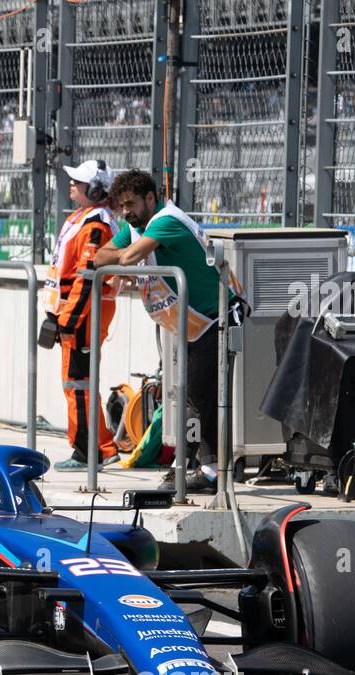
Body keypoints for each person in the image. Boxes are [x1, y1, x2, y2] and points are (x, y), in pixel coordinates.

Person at [91, 169, 232, 493]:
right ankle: (208, 470)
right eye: (121, 206)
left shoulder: (166, 221)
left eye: (131, 204)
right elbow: (100, 257)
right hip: (193, 326)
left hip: (218, 318)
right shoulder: (137, 227)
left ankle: (188, 471)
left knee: (197, 397)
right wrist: (120, 254)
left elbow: (127, 256)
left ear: (151, 199)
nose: (126, 212)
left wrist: (124, 255)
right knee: (199, 395)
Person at [38, 159, 119, 471]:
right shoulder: (82, 219)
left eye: (79, 181)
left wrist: (67, 321)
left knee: (78, 384)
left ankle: (88, 452)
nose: (71, 184)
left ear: (96, 189)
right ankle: (102, 446)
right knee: (78, 383)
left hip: (83, 316)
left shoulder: (95, 226)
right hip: (76, 314)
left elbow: (86, 280)